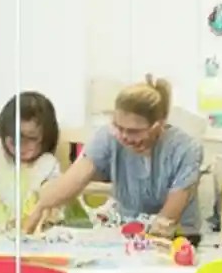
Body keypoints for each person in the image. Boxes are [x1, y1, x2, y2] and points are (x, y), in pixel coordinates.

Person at [24, 75, 203, 241]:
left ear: (158, 126)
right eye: (119, 127)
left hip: (178, 237)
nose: (124, 136)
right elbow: (74, 180)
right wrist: (41, 207)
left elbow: (168, 219)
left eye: (134, 131)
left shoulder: (186, 150)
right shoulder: (108, 138)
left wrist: (147, 242)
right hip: (128, 231)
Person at [0, 92, 62, 231]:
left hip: (36, 241)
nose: (21, 145)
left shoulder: (47, 164)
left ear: (46, 138)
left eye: (31, 138)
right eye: (15, 138)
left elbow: (52, 205)